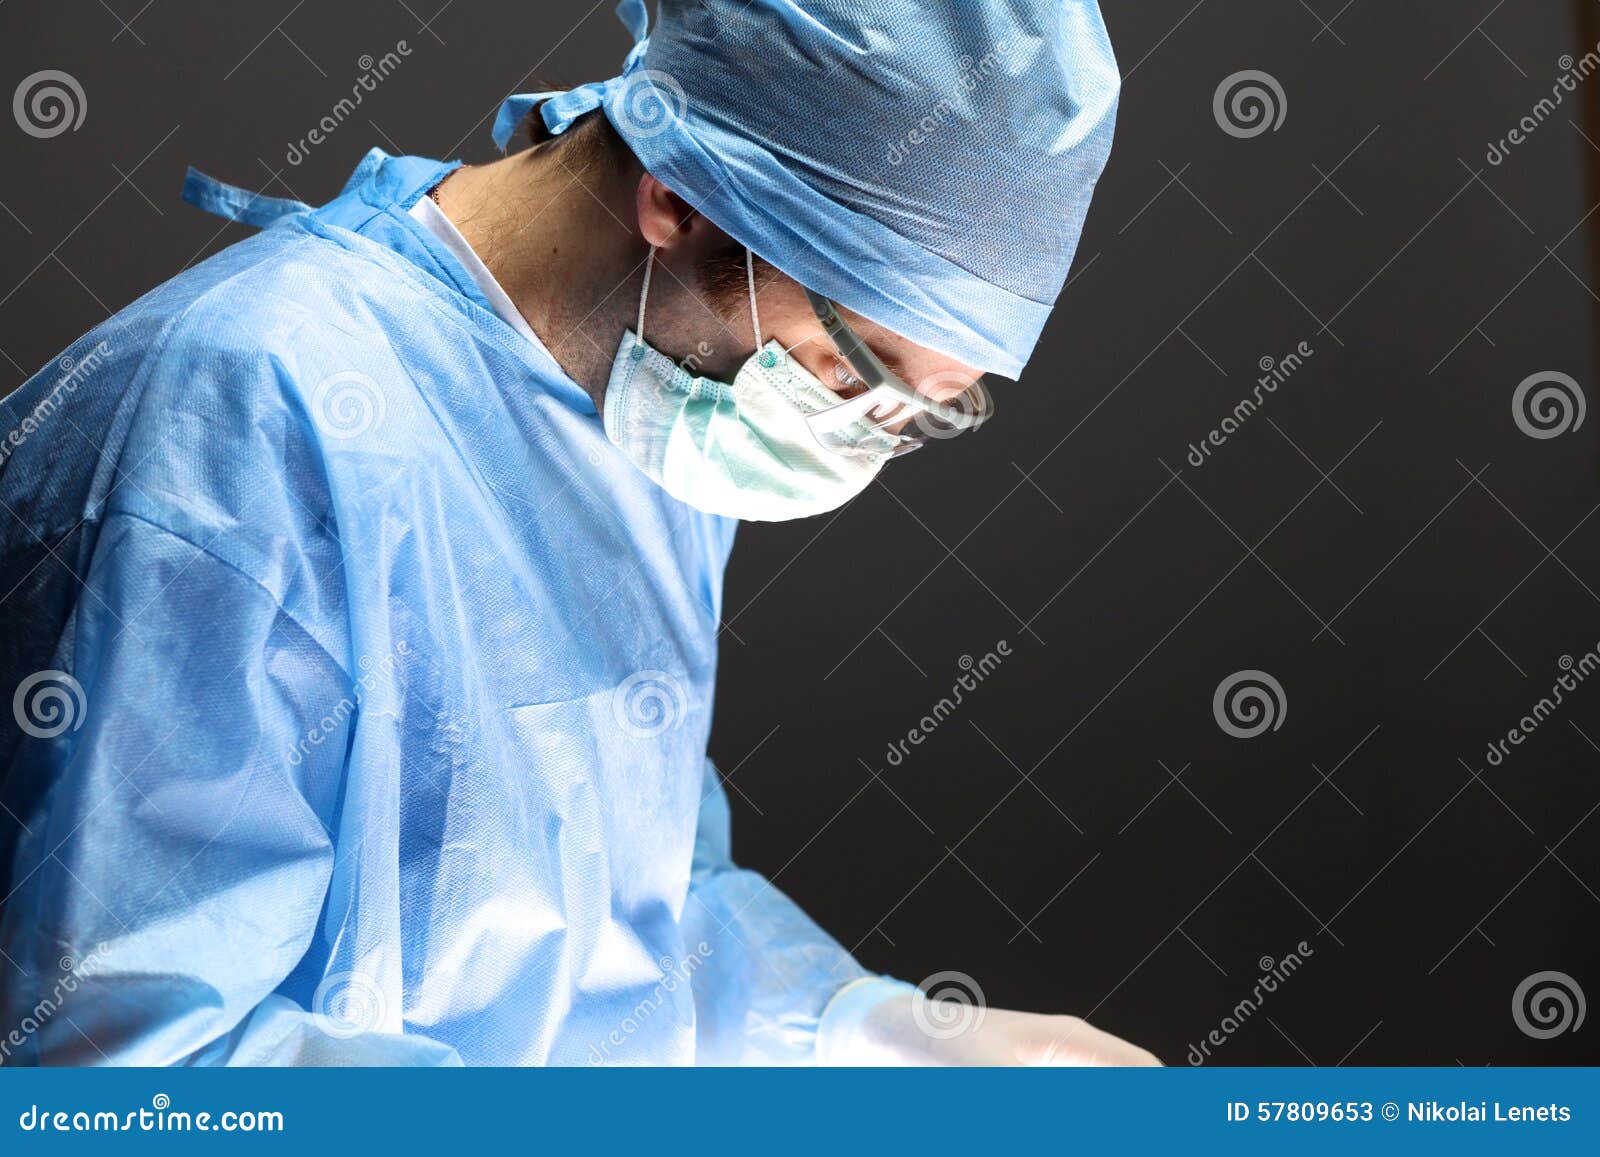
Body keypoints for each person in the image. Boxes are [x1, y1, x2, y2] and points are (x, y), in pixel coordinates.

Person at [0, 0, 1153, 1065]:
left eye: (926, 408)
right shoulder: (247, 417)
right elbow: (117, 1062)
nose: (854, 435)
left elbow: (631, 921)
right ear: (682, 196)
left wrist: (867, 1035)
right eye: (857, 365)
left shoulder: (661, 414)